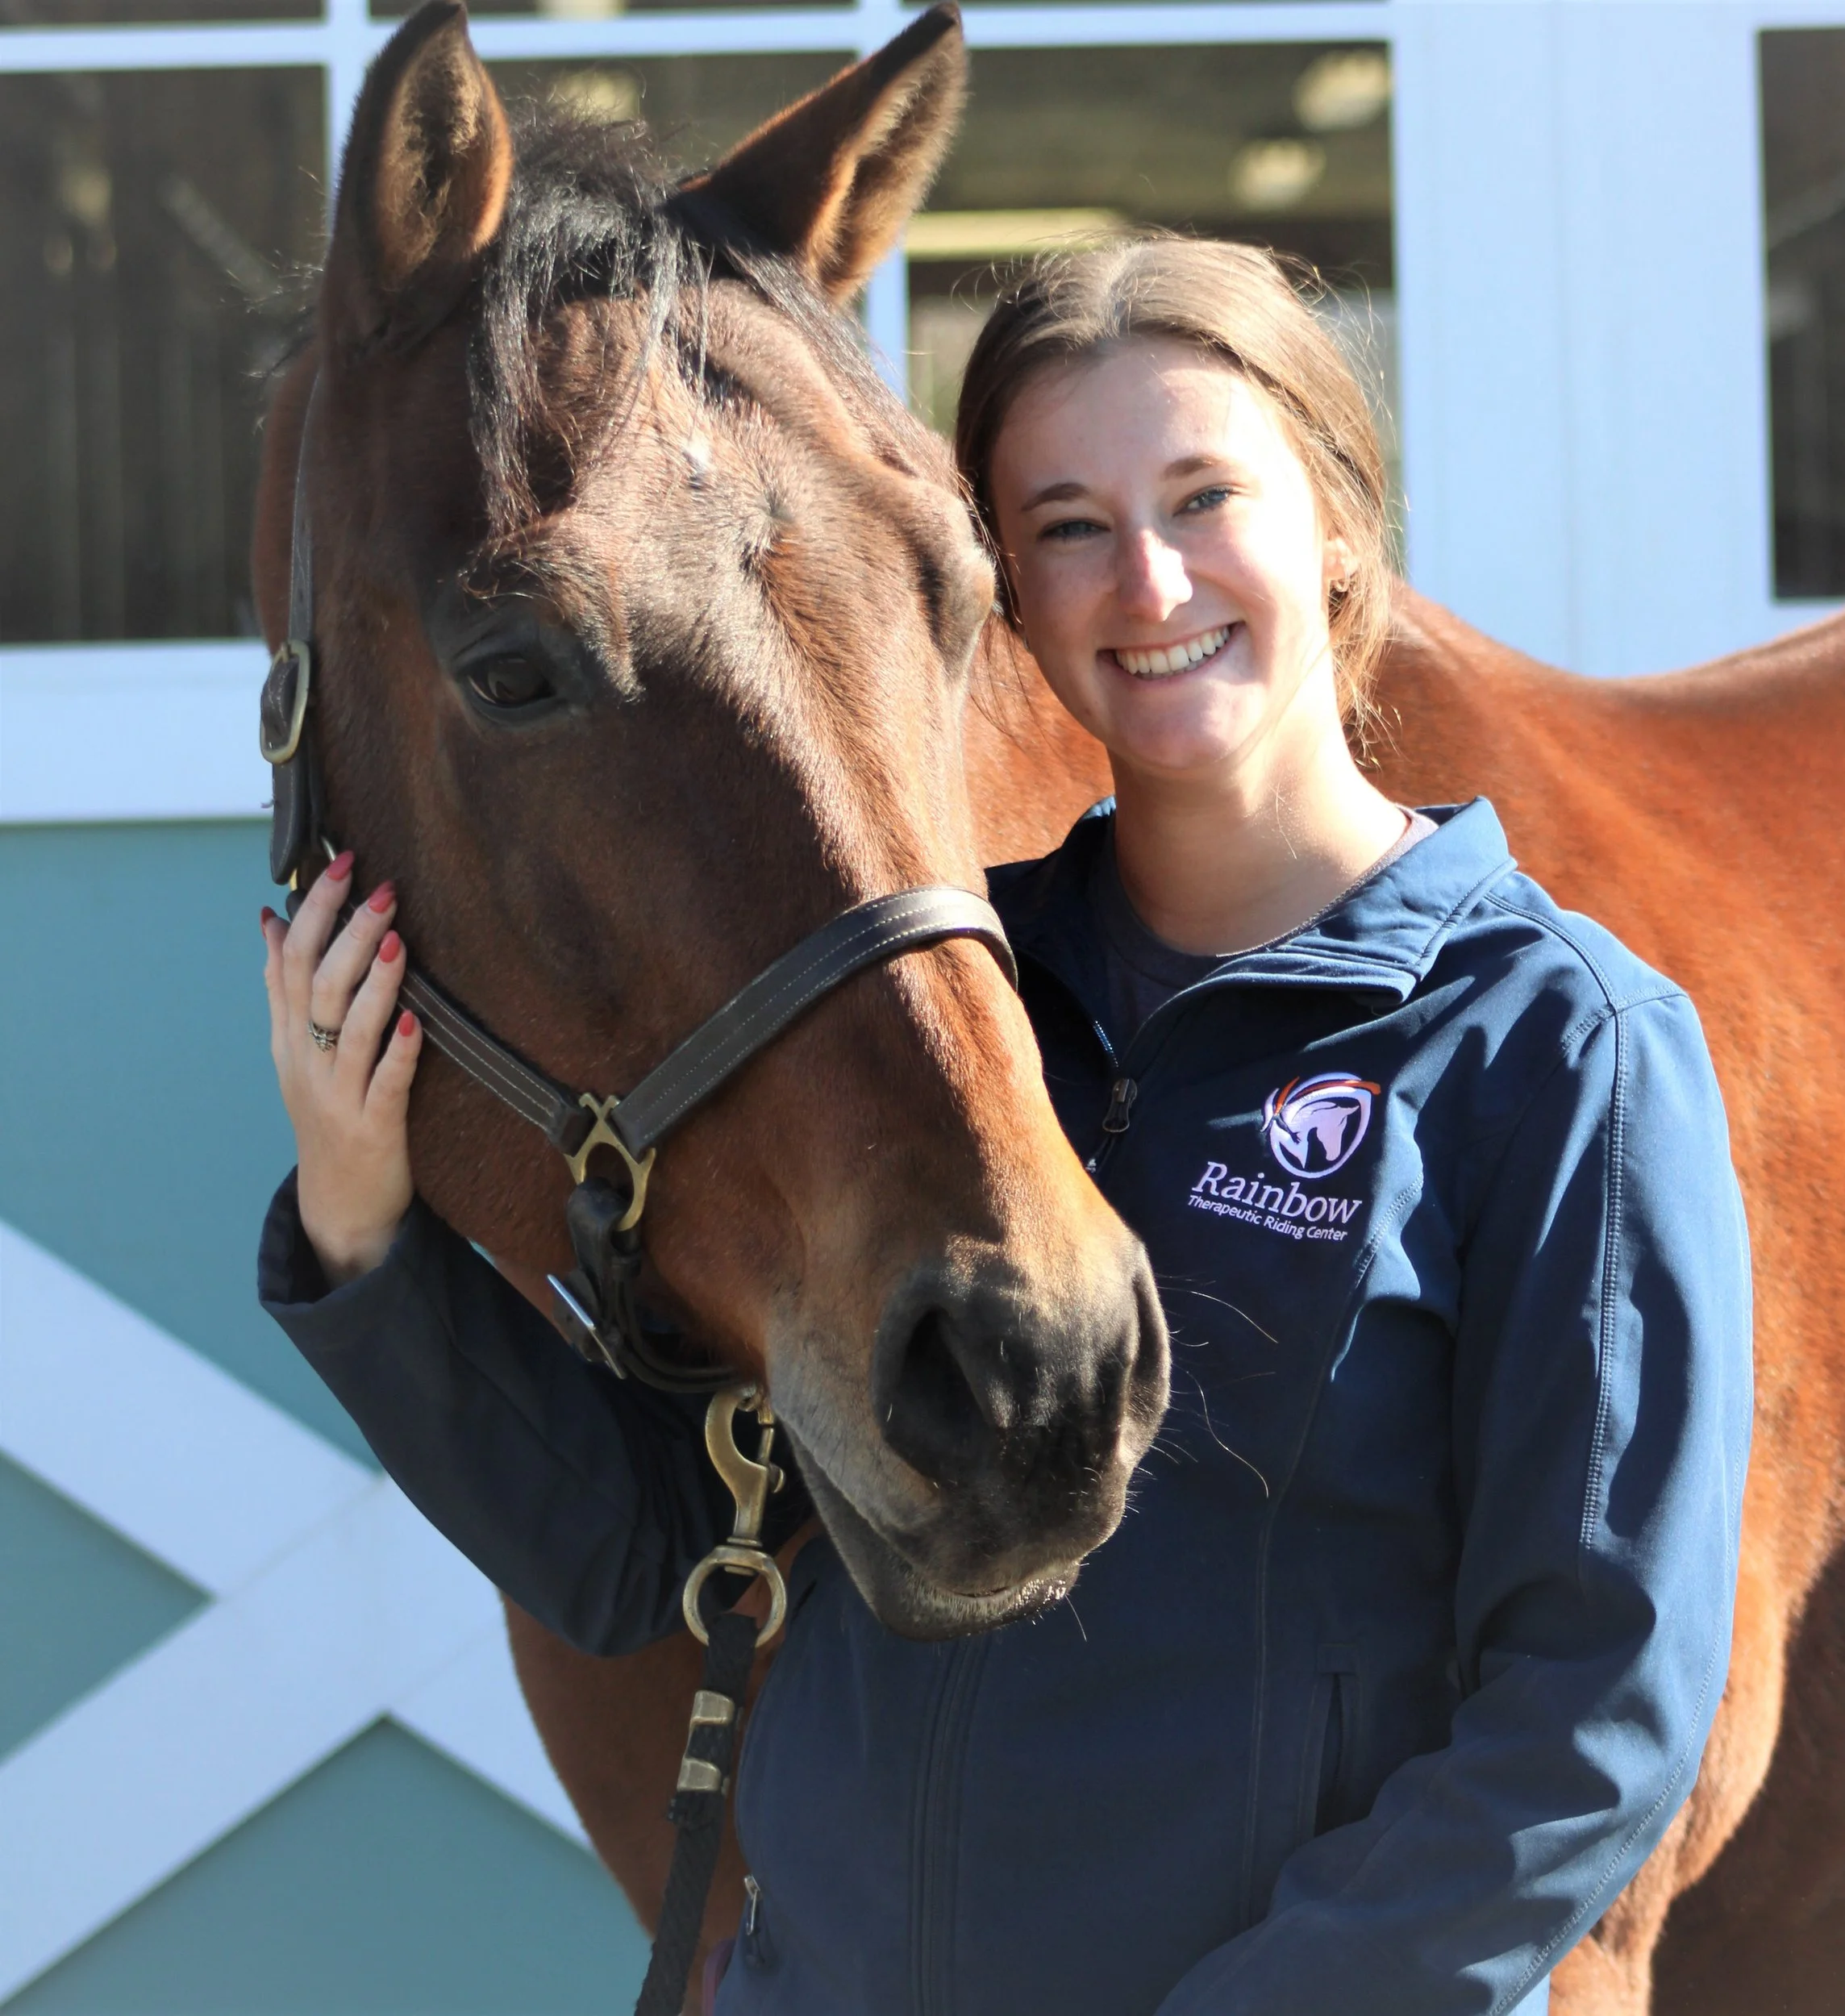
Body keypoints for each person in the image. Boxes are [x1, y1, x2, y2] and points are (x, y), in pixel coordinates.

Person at [259, 238, 1751, 2016]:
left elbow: (1595, 1716)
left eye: (1203, 497)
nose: (1147, 578)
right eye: (1066, 524)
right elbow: (645, 1545)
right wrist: (362, 1229)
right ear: (1008, 596)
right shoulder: (934, 1030)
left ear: (1339, 528)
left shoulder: (1560, 1046)